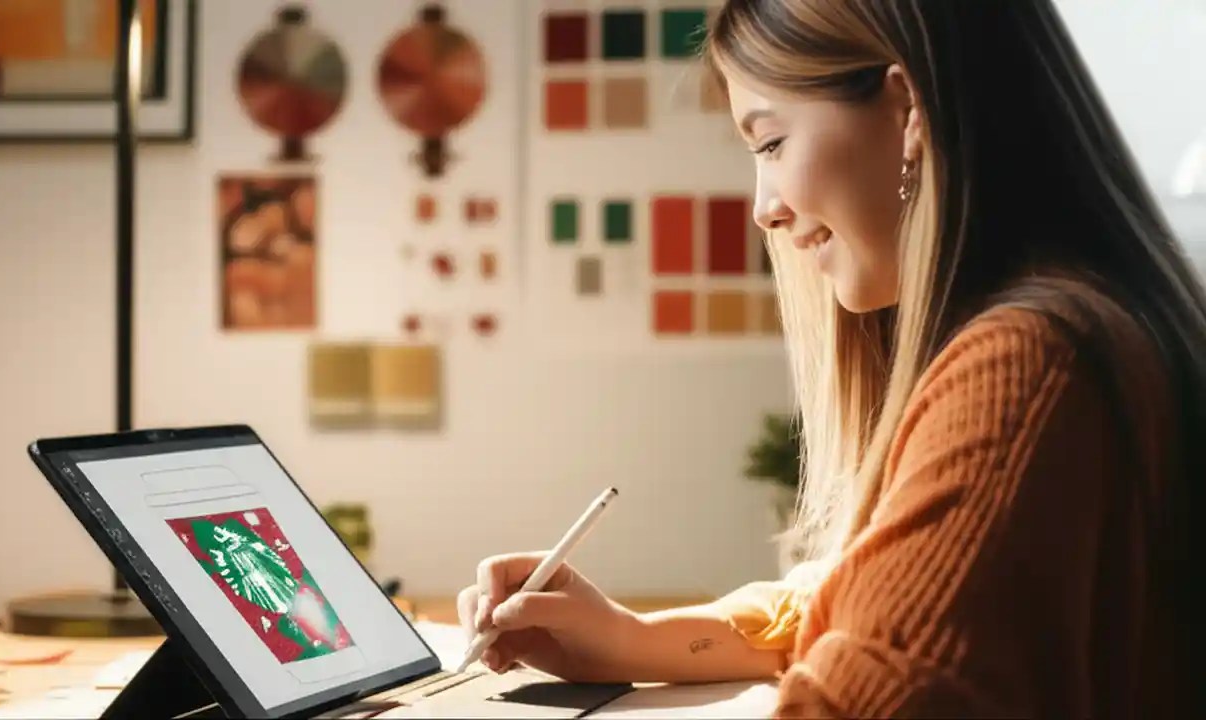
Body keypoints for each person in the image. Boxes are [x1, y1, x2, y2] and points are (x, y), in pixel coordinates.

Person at [458, 0, 1204, 716]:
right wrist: (635, 640)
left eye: (771, 144)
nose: (765, 209)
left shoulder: (1027, 365)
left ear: (907, 108)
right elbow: (851, 593)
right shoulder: (1100, 328)